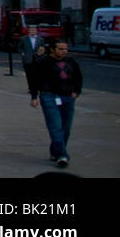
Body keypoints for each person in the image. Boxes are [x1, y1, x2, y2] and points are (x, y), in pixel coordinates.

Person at [28, 39, 82, 167]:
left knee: (66, 128)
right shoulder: (43, 62)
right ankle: (62, 155)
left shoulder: (71, 62)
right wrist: (34, 96)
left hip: (68, 97)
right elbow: (34, 80)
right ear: (52, 50)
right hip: (49, 96)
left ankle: (55, 151)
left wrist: (76, 92)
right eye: (60, 49)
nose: (64, 51)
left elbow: (78, 77)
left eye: (65, 49)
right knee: (55, 126)